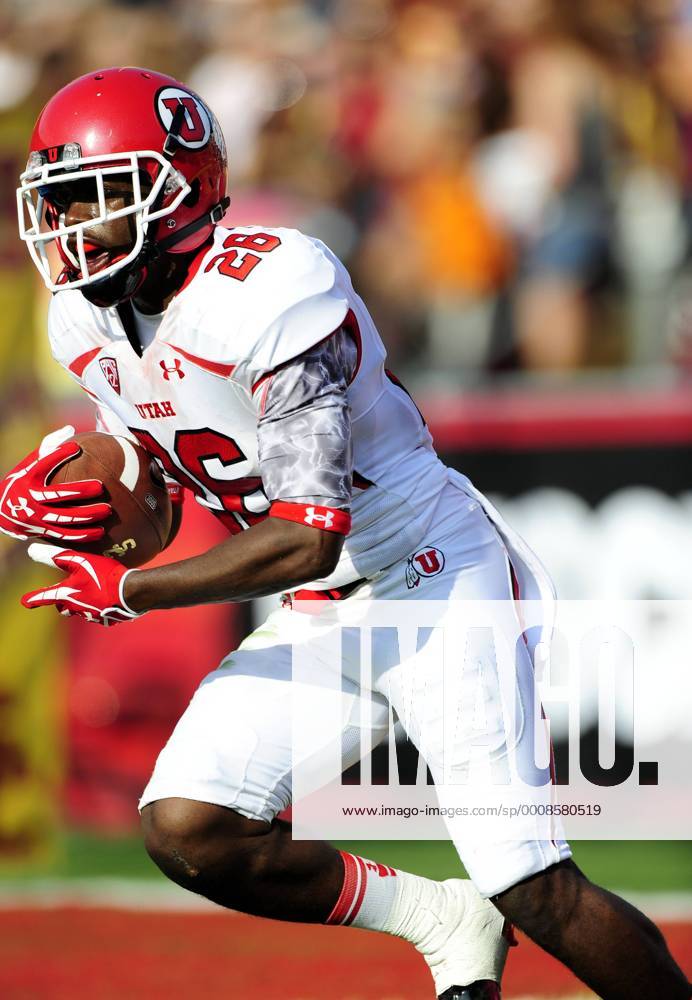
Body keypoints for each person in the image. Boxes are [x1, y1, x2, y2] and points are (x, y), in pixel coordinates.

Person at [1, 68, 688, 1000]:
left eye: (100, 194)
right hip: (323, 604)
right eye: (64, 197)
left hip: (432, 576)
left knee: (534, 885)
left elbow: (306, 534)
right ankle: (435, 917)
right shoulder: (81, 320)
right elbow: (162, 489)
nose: (73, 223)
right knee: (189, 826)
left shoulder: (270, 285)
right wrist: (105, 528)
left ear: (177, 187)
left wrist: (129, 593)